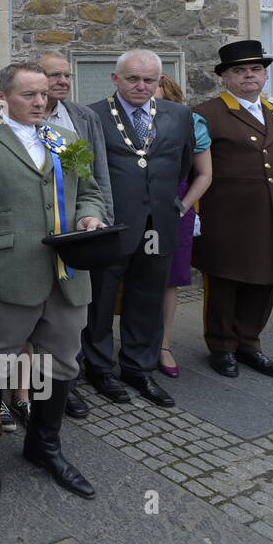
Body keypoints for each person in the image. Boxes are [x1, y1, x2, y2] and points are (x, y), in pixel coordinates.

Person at [0, 63, 107, 500]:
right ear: (2, 96)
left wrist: (90, 215)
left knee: (61, 364)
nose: (41, 102)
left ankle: (44, 445)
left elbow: (89, 190)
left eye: (45, 95)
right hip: (7, 274)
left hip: (68, 275)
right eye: (30, 95)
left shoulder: (67, 139)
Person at [192, 41, 273, 380]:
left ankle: (249, 343)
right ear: (225, 78)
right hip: (227, 218)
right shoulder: (206, 114)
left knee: (266, 281)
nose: (248, 76)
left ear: (264, 75)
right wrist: (192, 210)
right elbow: (188, 168)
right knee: (225, 283)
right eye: (239, 70)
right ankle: (222, 346)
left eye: (255, 70)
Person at [82, 51, 200, 410]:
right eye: (133, 79)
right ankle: (99, 367)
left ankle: (138, 366)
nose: (141, 86)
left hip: (159, 224)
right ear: (115, 79)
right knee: (100, 299)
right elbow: (85, 171)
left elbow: (183, 165)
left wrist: (169, 205)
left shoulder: (179, 115)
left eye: (149, 80)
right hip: (112, 225)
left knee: (147, 298)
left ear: (159, 81)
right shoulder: (92, 115)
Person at [34, 52, 114, 421]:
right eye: (55, 75)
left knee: (75, 310)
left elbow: (98, 174)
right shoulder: (18, 117)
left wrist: (103, 219)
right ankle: (36, 388)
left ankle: (69, 383)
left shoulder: (84, 117)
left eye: (67, 75)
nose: (63, 81)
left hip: (78, 232)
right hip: (35, 235)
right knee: (38, 313)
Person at [154, 74, 213, 378]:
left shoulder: (192, 123)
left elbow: (204, 174)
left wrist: (183, 207)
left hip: (176, 207)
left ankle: (163, 344)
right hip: (131, 208)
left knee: (170, 278)